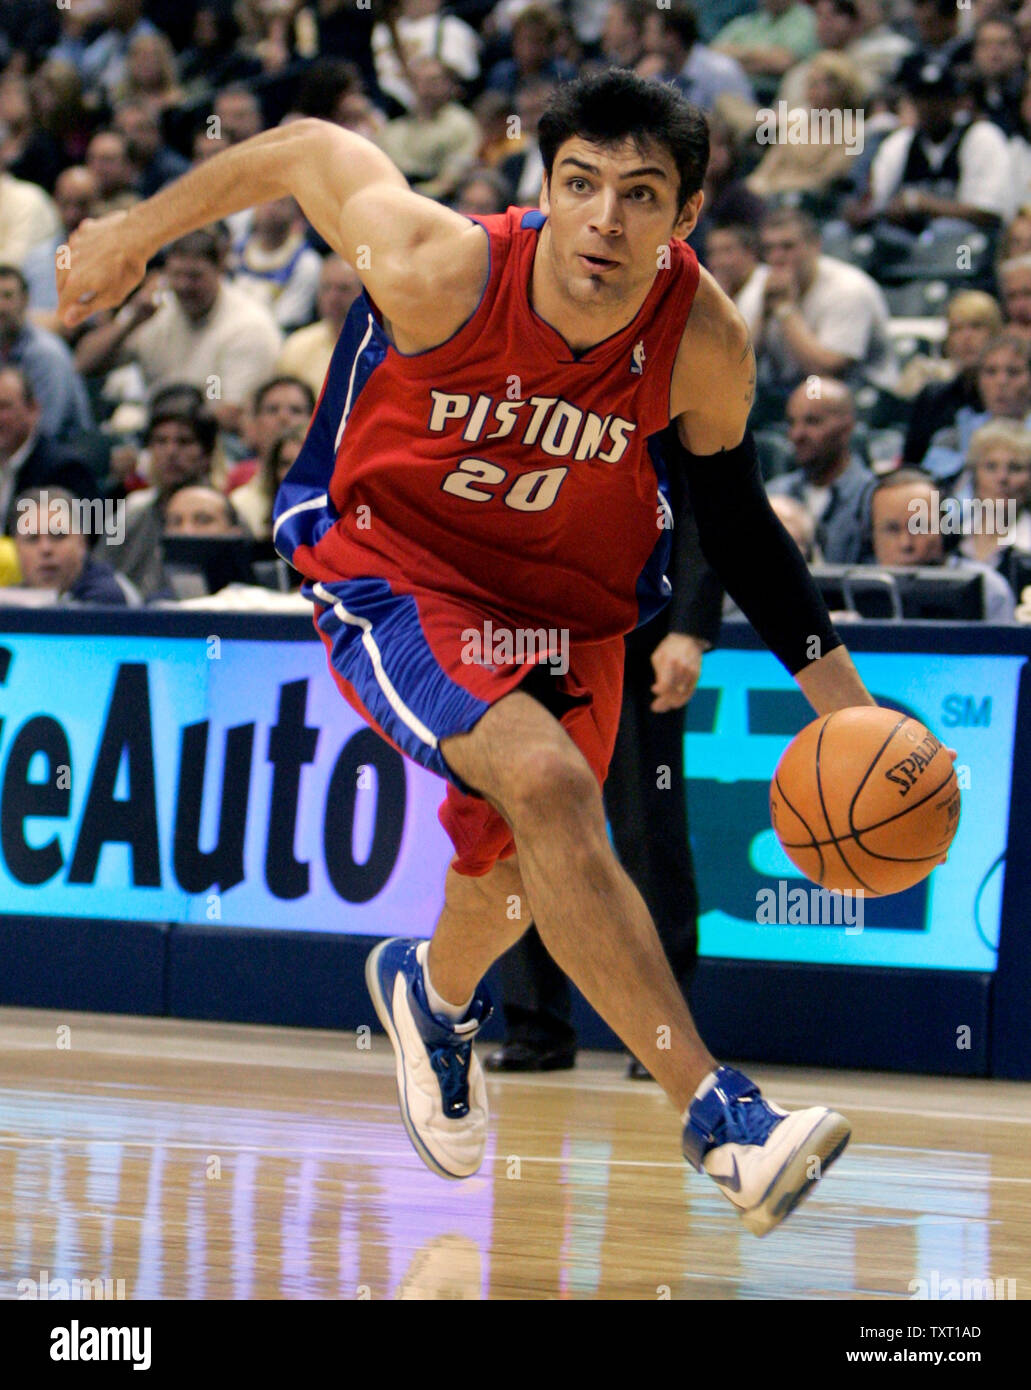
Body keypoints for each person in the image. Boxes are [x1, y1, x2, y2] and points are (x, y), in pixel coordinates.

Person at [61, 69, 897, 1237]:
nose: (604, 219)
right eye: (580, 184)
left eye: (641, 195)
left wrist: (843, 706)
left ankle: (433, 990)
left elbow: (737, 517)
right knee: (554, 785)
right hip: (396, 563)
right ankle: (722, 1114)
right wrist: (132, 234)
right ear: (543, 183)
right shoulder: (438, 264)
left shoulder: (701, 334)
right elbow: (305, 144)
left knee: (511, 874)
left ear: (685, 216)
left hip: (576, 605)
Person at [867, 467, 1016, 622]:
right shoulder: (853, 589)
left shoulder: (988, 588)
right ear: (871, 536)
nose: (906, 544)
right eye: (892, 529)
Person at [767, 378, 876, 563]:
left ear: (846, 428)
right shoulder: (773, 494)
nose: (796, 434)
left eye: (812, 422)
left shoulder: (873, 498)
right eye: (792, 423)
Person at [8, 485, 136, 606]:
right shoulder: (11, 600)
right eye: (33, 539)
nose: (45, 549)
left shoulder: (107, 597)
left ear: (82, 542)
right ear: (16, 548)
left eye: (58, 536)